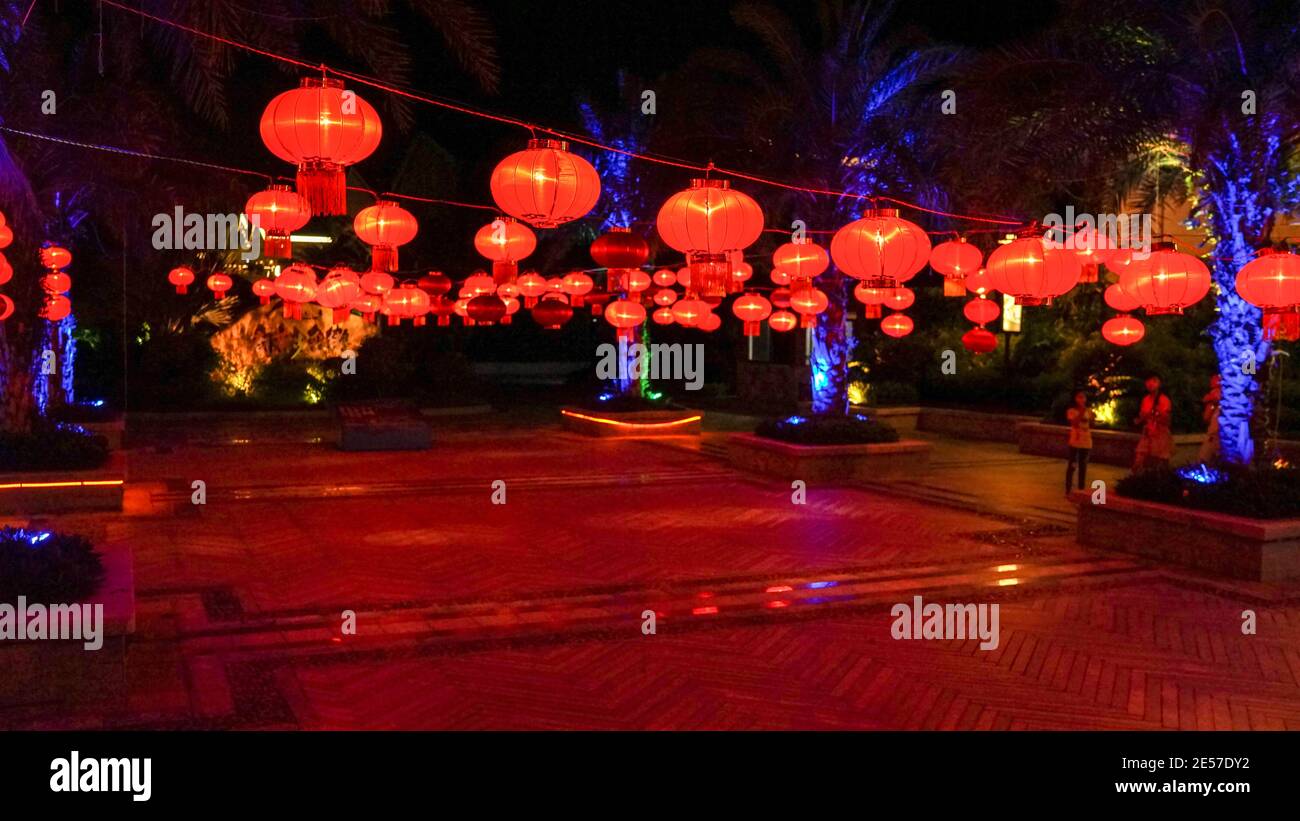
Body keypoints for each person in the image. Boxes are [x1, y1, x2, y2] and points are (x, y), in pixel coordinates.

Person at [1133, 373, 1174, 472]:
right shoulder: (1146, 399)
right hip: (1148, 433)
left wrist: (1158, 414)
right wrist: (1139, 420)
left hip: (1160, 434)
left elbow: (1167, 419)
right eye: (1148, 381)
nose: (1150, 384)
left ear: (1159, 383)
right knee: (1139, 458)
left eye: (1154, 381)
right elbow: (1142, 416)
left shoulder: (1164, 400)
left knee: (1160, 462)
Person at [1065, 390, 1093, 494]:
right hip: (1075, 441)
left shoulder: (1088, 411)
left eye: (1083, 397)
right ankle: (1068, 489)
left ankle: (1081, 489)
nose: (1082, 399)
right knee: (1072, 465)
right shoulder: (1071, 411)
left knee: (1083, 466)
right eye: (1079, 397)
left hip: (1086, 441)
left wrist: (1092, 417)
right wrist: (1082, 411)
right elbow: (1074, 423)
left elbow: (1091, 424)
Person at [1197, 374, 1221, 464]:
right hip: (1224, 435)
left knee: (1204, 460)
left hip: (1214, 435)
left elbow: (1206, 417)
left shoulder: (1214, 396)